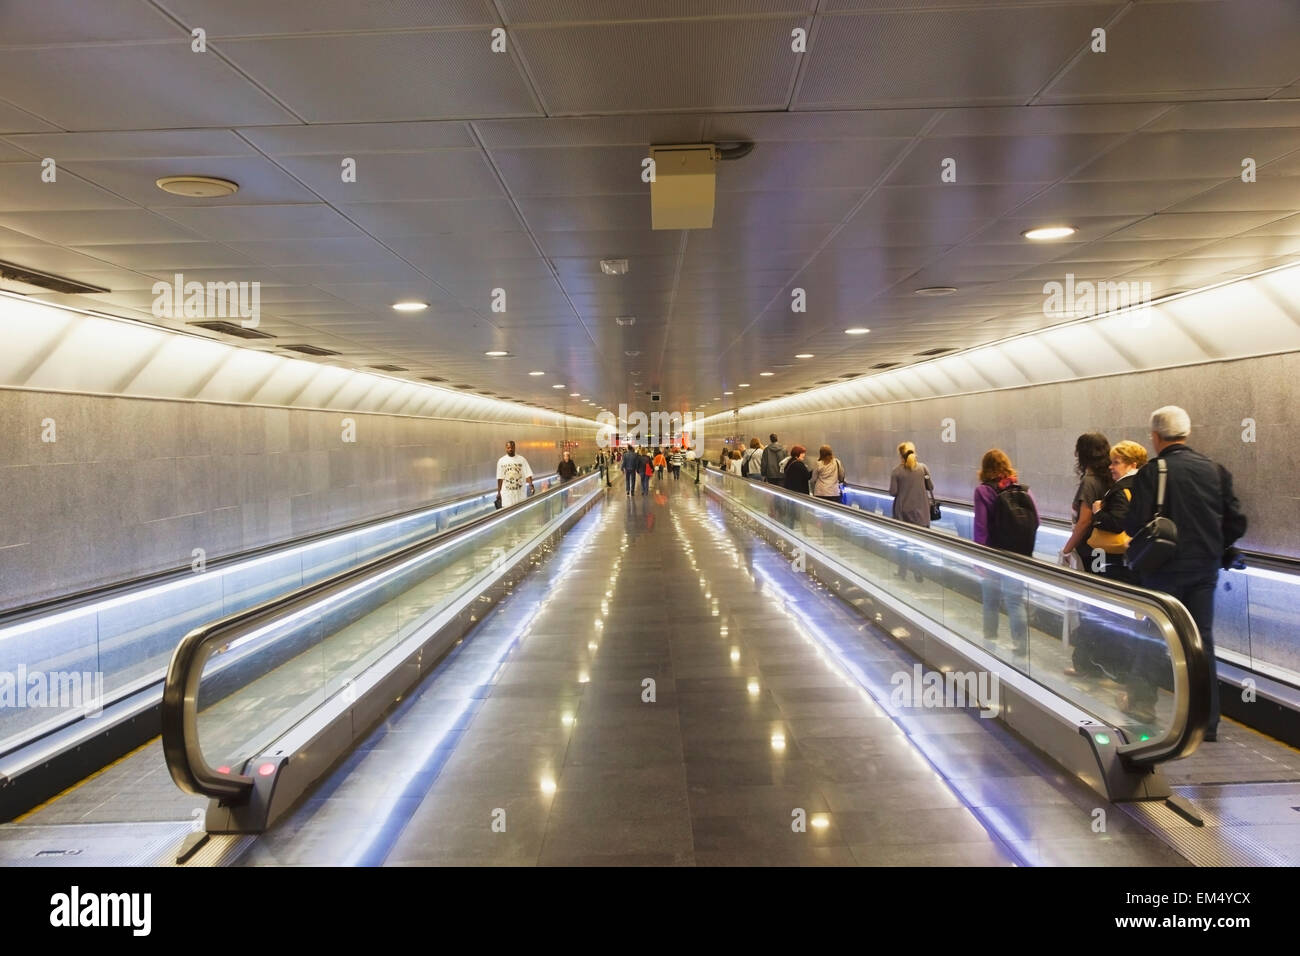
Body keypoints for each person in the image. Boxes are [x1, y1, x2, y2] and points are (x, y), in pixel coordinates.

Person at [1122, 407, 1247, 740]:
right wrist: (1213, 546)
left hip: (1163, 568)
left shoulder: (1154, 471)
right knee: (1201, 640)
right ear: (1186, 434)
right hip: (1205, 568)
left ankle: (1142, 704)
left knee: (1154, 633)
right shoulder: (1215, 471)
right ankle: (1207, 721)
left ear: (1156, 436)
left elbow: (1133, 522)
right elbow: (1236, 522)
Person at [1066, 440, 1150, 681]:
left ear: (1132, 464)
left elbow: (1117, 522)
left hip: (1112, 560)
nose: (1112, 466)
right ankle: (1108, 667)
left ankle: (1109, 668)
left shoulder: (1121, 487)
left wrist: (1098, 512)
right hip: (1129, 560)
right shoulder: (1143, 485)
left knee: (1102, 612)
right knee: (1118, 616)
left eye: (1117, 462)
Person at [973, 449, 1038, 654]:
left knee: (991, 602)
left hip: (993, 554)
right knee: (1015, 602)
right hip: (1018, 555)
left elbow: (981, 527)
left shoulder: (983, 491)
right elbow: (1037, 521)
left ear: (985, 468)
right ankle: (1020, 647)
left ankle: (989, 642)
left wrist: (979, 558)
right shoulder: (1023, 489)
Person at [1060, 433, 1113, 571]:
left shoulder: (1089, 481)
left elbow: (1084, 521)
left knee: (1093, 583)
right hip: (1105, 545)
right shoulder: (1110, 476)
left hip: (1091, 547)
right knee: (1101, 580)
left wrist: (1067, 549)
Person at [888, 441, 933, 581]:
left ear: (900, 455)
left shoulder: (896, 472)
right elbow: (930, 487)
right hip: (921, 514)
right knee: (919, 544)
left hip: (903, 514)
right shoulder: (923, 468)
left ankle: (902, 573)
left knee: (903, 544)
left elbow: (893, 492)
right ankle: (918, 574)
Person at [496, 440, 534, 508]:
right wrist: (499, 492)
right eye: (508, 448)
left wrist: (531, 486)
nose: (510, 449)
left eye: (512, 447)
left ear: (515, 448)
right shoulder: (501, 461)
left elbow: (528, 474)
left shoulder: (522, 459)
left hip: (520, 494)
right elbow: (500, 478)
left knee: (520, 510)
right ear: (506, 448)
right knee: (508, 511)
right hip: (507, 495)